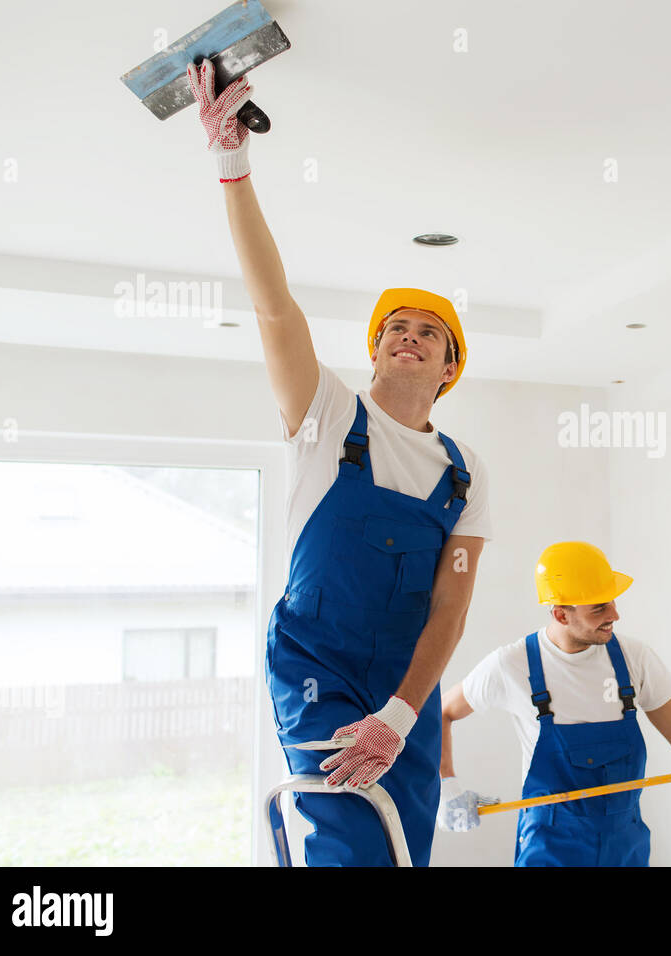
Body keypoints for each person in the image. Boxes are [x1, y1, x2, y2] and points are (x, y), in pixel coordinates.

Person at [185, 62, 491, 866]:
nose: (409, 334)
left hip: (407, 691)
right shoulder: (326, 417)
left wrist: (402, 712)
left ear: (448, 368)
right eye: (396, 325)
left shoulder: (464, 474)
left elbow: (449, 609)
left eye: (429, 331)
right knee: (350, 842)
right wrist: (232, 167)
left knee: (403, 851)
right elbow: (273, 305)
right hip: (317, 670)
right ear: (377, 347)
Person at [438, 542, 671, 866]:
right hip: (551, 849)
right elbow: (441, 713)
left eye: (613, 601)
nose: (614, 615)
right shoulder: (512, 665)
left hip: (625, 846)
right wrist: (446, 787)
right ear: (560, 614)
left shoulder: (633, 659)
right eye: (599, 608)